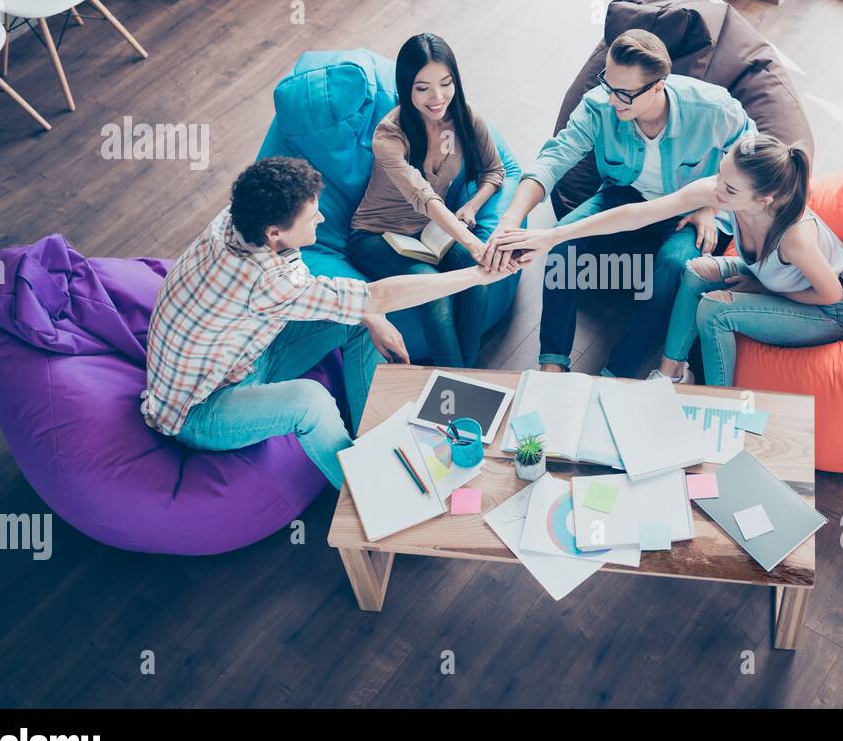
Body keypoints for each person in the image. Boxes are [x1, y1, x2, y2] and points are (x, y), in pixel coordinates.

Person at [142, 156, 515, 490]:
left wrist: (371, 317)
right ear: (275, 232)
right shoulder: (264, 279)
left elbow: (355, 304)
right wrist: (477, 276)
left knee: (362, 320)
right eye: (312, 216)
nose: (321, 218)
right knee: (310, 400)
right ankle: (369, 492)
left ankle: (375, 438)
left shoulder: (239, 220)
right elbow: (379, 295)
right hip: (200, 409)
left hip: (242, 359)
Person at [482, 28, 755, 378]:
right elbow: (553, 159)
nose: (613, 100)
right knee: (562, 239)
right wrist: (512, 216)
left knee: (673, 266)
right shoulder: (599, 105)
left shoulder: (712, 108)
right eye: (607, 84)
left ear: (659, 85)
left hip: (689, 211)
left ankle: (617, 375)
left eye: (624, 93)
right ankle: (552, 364)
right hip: (626, 195)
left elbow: (751, 154)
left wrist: (711, 205)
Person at [488, 133, 843, 387]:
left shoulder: (794, 237)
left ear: (764, 199)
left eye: (728, 189)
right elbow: (637, 213)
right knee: (695, 271)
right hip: (778, 282)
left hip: (829, 310)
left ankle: (717, 402)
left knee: (716, 310)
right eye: (720, 176)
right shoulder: (721, 193)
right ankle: (669, 376)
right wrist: (554, 235)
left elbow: (829, 295)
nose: (716, 193)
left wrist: (761, 288)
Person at [346, 33, 506, 367]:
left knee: (478, 277)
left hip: (431, 230)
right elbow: (425, 199)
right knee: (434, 291)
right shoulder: (389, 136)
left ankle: (467, 373)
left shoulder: (466, 117)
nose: (437, 98)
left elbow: (496, 172)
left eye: (446, 84)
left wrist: (472, 205)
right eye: (422, 88)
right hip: (377, 234)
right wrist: (471, 242)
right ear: (406, 88)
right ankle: (458, 387)